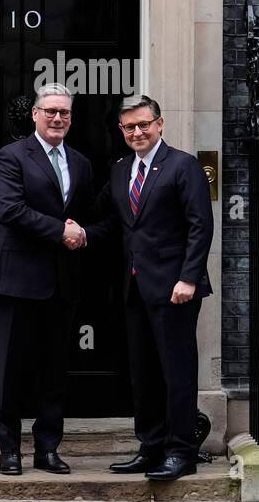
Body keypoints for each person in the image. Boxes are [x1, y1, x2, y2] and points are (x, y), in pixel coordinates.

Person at [65, 94, 213, 481]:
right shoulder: (119, 171)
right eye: (129, 126)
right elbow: (114, 223)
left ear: (159, 124)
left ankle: (182, 452)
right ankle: (150, 448)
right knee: (143, 374)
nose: (137, 132)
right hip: (134, 289)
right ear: (121, 130)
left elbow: (201, 226)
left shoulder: (184, 166)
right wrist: (79, 232)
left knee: (176, 373)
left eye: (144, 124)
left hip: (175, 289)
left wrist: (189, 278)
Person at [0, 83, 94, 476]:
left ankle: (47, 449)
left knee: (54, 371)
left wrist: (85, 232)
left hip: (62, 281)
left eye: (64, 112)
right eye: (50, 111)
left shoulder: (81, 163)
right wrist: (60, 231)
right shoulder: (11, 156)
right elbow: (8, 209)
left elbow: (86, 213)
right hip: (16, 281)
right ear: (35, 114)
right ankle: (9, 450)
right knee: (11, 370)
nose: (57, 118)